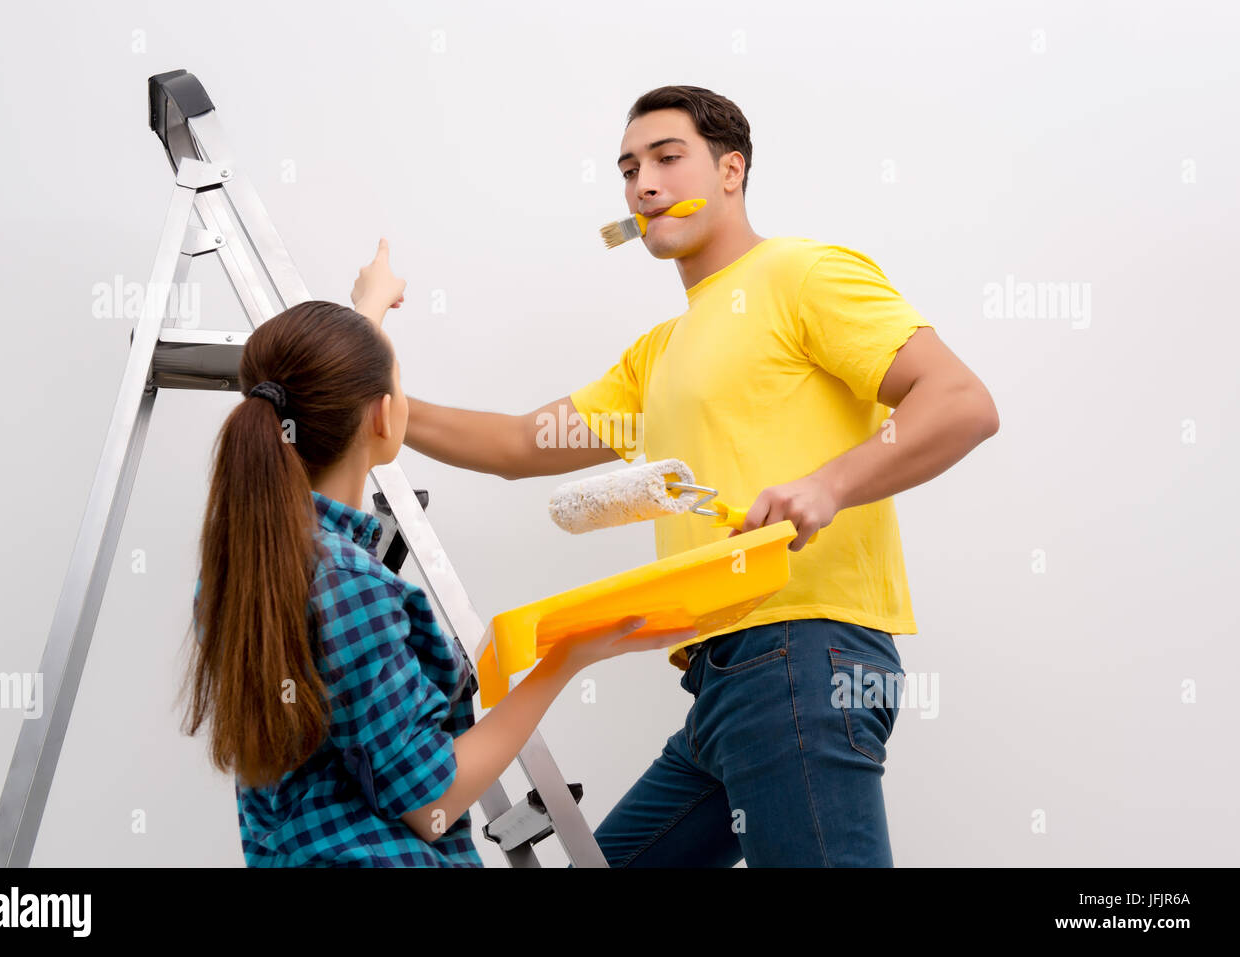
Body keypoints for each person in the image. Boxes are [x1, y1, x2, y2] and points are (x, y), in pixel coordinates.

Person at [400, 86, 1000, 866]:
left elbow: (961, 400)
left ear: (731, 171)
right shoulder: (660, 354)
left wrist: (827, 484)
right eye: (627, 169)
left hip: (801, 652)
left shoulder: (803, 273)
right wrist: (379, 408)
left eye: (666, 158)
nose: (642, 184)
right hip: (722, 684)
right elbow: (520, 444)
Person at [179, 241, 697, 866]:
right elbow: (434, 804)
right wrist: (565, 661)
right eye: (398, 388)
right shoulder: (350, 583)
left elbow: (332, 384)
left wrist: (369, 307)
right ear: (379, 416)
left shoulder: (246, 567)